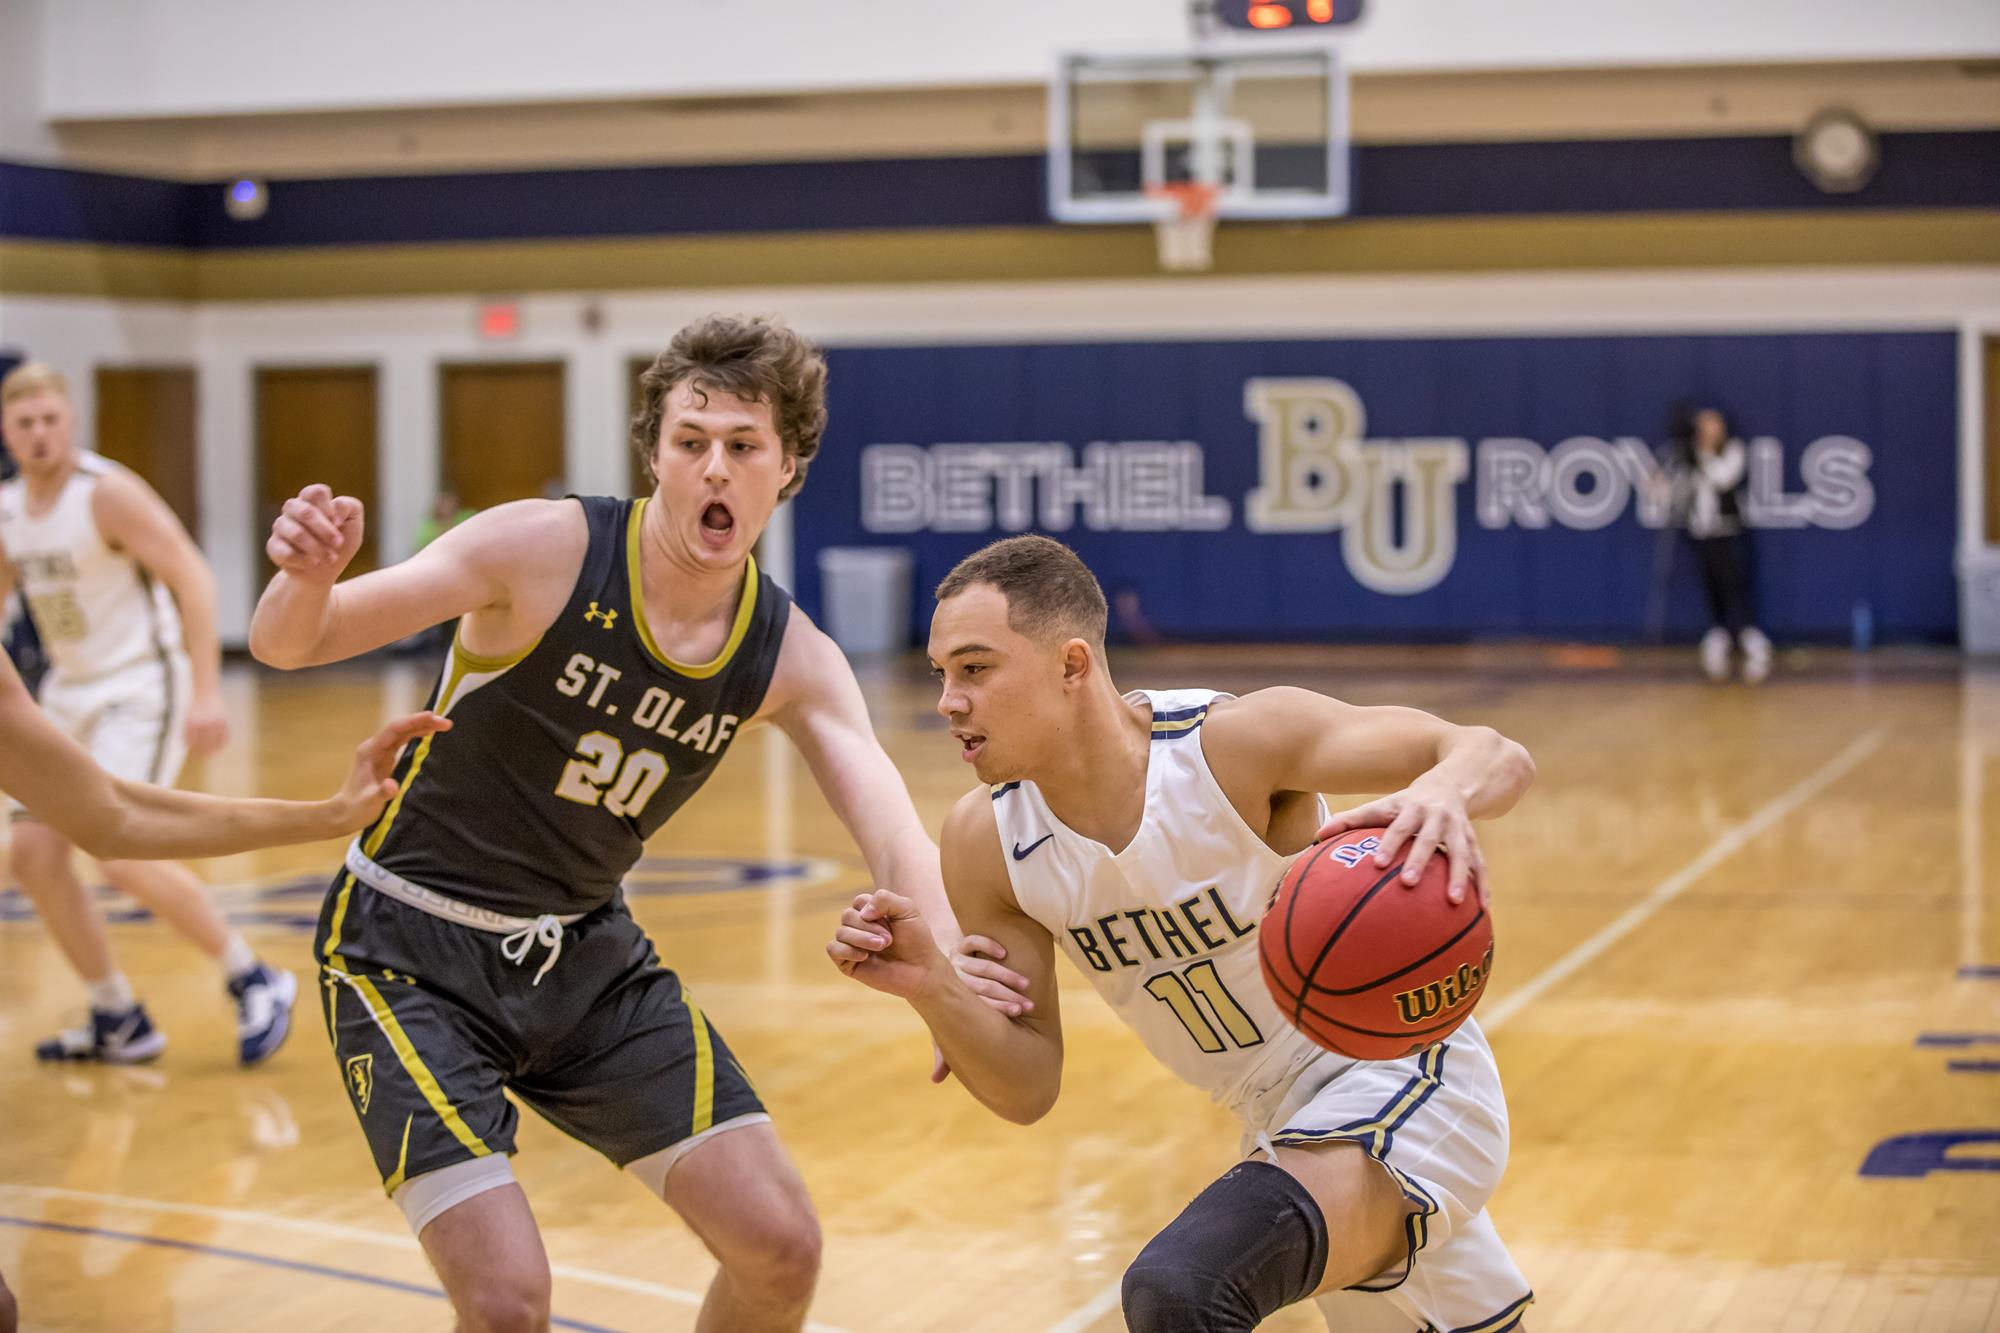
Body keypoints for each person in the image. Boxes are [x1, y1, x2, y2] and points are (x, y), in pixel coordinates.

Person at [249, 314, 1027, 1333]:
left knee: (780, 1246)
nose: (712, 468)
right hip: (406, 949)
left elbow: (890, 833)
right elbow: (289, 643)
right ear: (653, 451)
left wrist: (948, 984)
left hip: (583, 955)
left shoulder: (787, 653)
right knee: (507, 1299)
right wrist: (306, 579)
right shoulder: (540, 548)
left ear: (784, 465)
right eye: (689, 440)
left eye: (741, 446)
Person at [831, 535, 1539, 1333]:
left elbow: (1491, 751)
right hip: (1287, 1125)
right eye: (942, 674)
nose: (948, 701)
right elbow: (1028, 1086)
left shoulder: (1231, 747)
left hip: (1408, 1078)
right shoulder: (985, 842)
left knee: (1183, 1285)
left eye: (975, 668)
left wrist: (1443, 789)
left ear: (1072, 665)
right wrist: (932, 985)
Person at [0, 643, 449, 1333]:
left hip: (123, 683)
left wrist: (327, 815)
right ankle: (123, 1007)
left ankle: (240, 973)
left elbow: (112, 813)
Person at [0, 362, 297, 1065]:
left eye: (50, 420)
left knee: (117, 847)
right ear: (7, 433)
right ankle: (116, 1013)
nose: (40, 434)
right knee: (35, 854)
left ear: (71, 422)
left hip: (141, 682)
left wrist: (205, 689)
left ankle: (254, 976)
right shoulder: (9, 508)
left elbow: (192, 576)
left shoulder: (106, 494)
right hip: (67, 691)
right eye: (24, 423)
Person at [1667, 405, 1771, 683]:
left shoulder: (1732, 450)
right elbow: (1676, 495)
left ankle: (1751, 639)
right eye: (1701, 426)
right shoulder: (1687, 457)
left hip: (1730, 531)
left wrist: (1703, 453)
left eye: (1711, 425)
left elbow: (1722, 479)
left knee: (1735, 583)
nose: (1706, 431)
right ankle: (1718, 637)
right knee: (1711, 585)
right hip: (1702, 532)